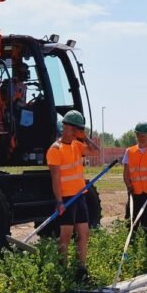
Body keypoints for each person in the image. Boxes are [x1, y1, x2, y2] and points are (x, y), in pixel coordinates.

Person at [47, 110, 101, 278]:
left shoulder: (78, 145)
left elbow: (96, 152)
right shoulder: (55, 149)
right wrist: (59, 201)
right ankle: (62, 268)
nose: (77, 132)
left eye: (79, 129)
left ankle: (81, 268)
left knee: (84, 233)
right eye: (75, 128)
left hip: (80, 197)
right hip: (67, 199)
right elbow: (55, 179)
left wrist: (84, 137)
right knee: (66, 235)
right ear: (65, 127)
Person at [122, 122, 147, 236]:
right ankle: (132, 246)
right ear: (136, 135)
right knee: (131, 222)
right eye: (139, 135)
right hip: (134, 193)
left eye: (144, 135)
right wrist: (128, 186)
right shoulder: (129, 151)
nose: (142, 138)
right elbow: (126, 173)